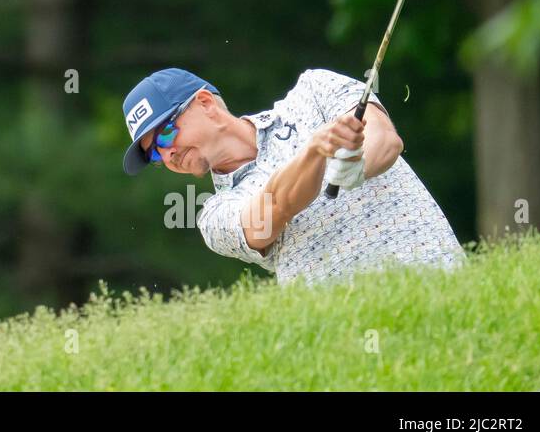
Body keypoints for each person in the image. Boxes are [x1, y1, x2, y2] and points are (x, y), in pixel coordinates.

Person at [120, 67, 464, 285]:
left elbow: (385, 141)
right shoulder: (214, 213)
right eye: (153, 154)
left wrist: (354, 166)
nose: (166, 154)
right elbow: (270, 215)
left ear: (206, 103)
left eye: (165, 135)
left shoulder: (313, 90)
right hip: (351, 343)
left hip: (442, 280)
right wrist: (315, 153)